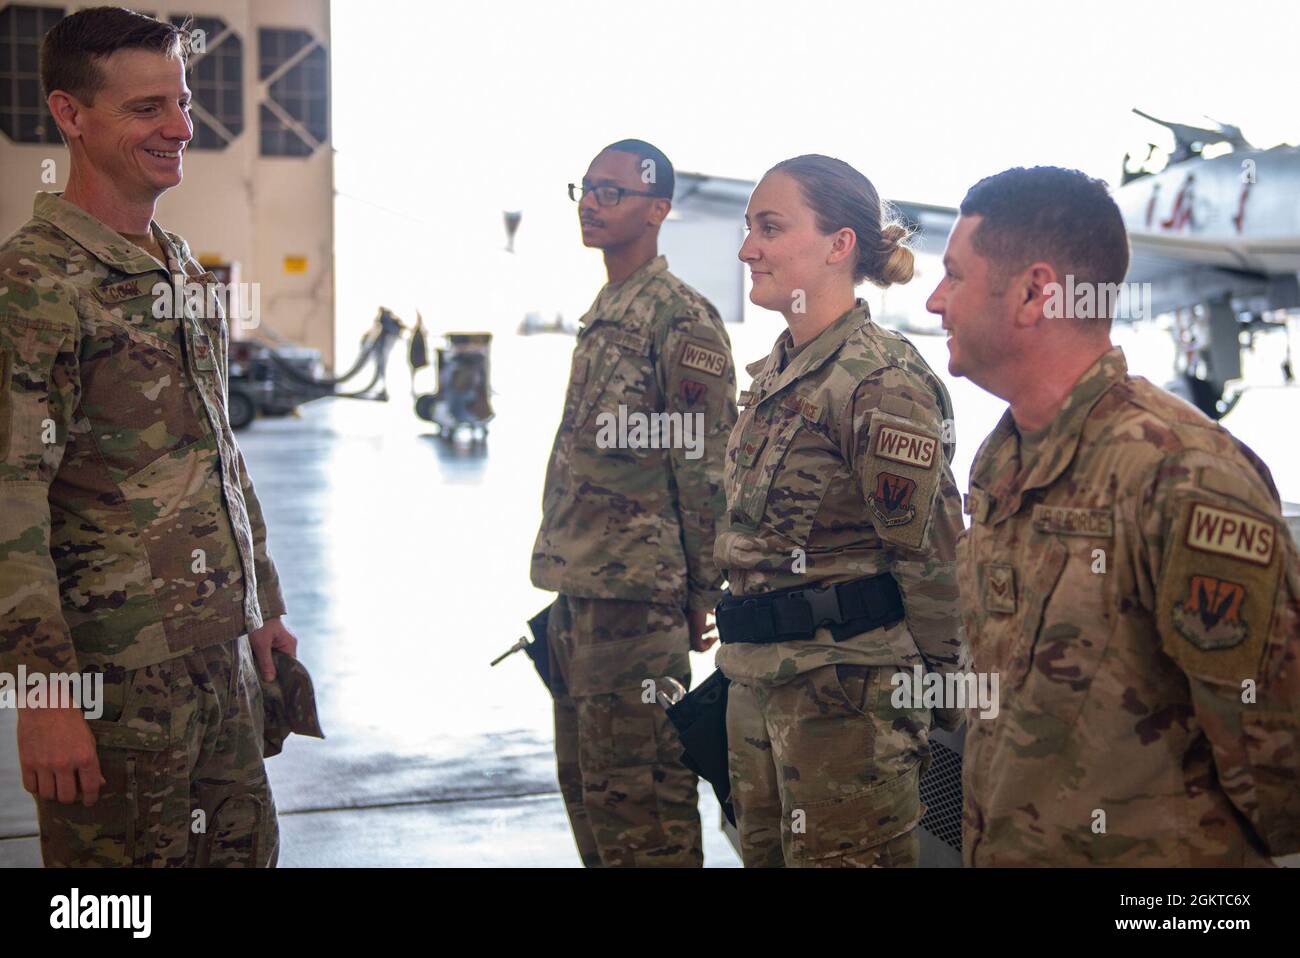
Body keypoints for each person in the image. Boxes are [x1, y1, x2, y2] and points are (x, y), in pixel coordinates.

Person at [926, 165, 1300, 866]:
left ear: (1036, 291)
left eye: (954, 274)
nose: (935, 299)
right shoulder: (1003, 461)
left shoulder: (1182, 473)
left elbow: (1273, 754)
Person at [0, 7, 299, 867]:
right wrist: (45, 696)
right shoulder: (36, 282)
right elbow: (12, 496)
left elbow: (217, 454)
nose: (178, 128)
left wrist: (261, 607)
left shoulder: (176, 265)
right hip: (114, 683)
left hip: (216, 661)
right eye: (145, 109)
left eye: (182, 101)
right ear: (69, 115)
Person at [714, 155, 966, 867]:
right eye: (748, 228)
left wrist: (946, 700)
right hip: (757, 688)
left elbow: (931, 558)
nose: (747, 249)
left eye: (770, 227)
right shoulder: (776, 374)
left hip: (846, 707)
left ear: (839, 244)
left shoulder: (878, 381)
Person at [530, 139, 738, 866]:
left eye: (610, 191)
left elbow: (705, 463)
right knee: (589, 794)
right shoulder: (608, 307)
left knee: (643, 806)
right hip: (579, 595)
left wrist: (703, 590)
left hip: (638, 603)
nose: (591, 202)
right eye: (585, 188)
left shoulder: (679, 318)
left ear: (657, 209)